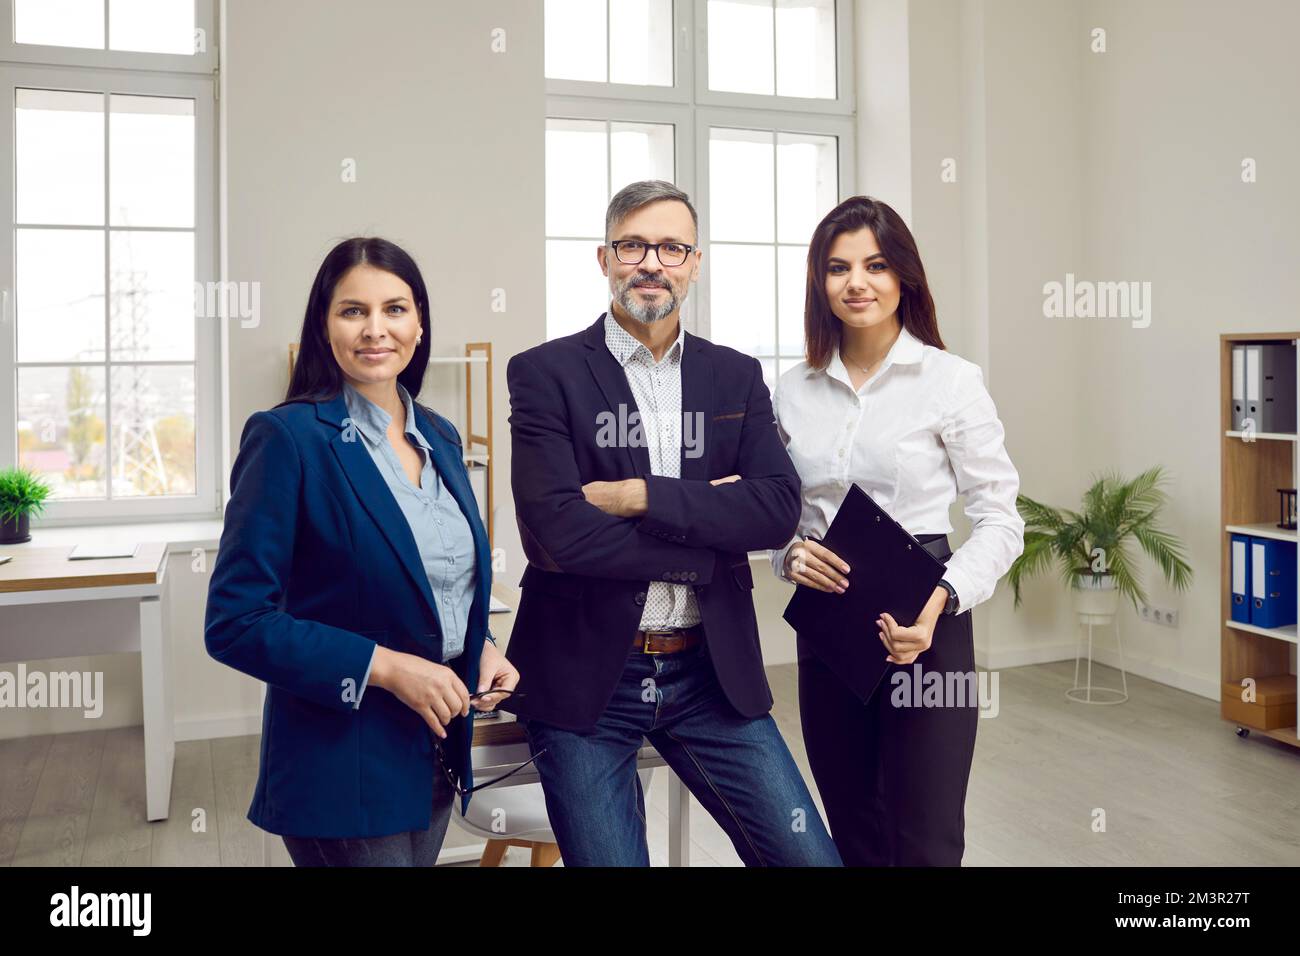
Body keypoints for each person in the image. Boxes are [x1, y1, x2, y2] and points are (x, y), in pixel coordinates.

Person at [501, 180, 842, 867]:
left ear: (694, 263)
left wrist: (639, 497)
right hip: (585, 678)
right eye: (632, 245)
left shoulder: (736, 376)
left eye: (671, 248)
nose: (651, 262)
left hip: (710, 674)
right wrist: (710, 533)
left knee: (809, 860)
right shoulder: (545, 373)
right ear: (605, 258)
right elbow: (555, 534)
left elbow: (777, 509)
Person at [204, 237, 518, 866]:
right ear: (324, 326)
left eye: (395, 309)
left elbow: (440, 580)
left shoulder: (440, 436)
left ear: (419, 323)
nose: (376, 329)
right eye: (353, 311)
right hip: (339, 764)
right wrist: (390, 668)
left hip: (433, 748)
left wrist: (478, 645)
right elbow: (235, 623)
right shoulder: (287, 438)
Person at [770, 196, 1025, 866]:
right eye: (838, 267)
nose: (857, 282)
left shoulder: (951, 381)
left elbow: (1001, 518)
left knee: (926, 834)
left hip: (927, 617)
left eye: (875, 265)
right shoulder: (792, 390)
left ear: (903, 276)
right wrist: (788, 554)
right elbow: (777, 511)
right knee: (852, 824)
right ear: (819, 282)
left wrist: (941, 601)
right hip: (828, 625)